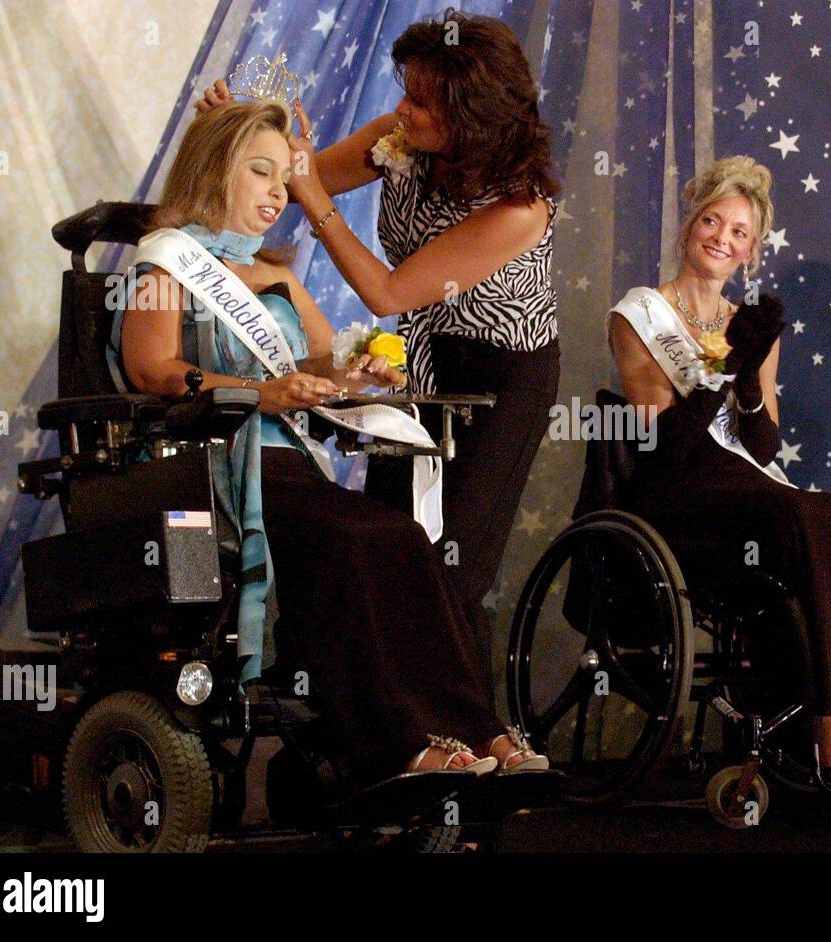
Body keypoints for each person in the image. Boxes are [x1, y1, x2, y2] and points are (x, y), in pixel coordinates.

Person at [117, 100, 547, 791]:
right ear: (212, 170)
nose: (276, 193)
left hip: (290, 466)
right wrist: (266, 394)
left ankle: (471, 725)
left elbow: (323, 368)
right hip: (210, 469)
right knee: (351, 539)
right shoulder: (164, 263)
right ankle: (393, 746)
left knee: (400, 538)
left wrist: (360, 374)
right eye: (259, 173)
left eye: (283, 180)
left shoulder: (278, 277)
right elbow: (153, 371)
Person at [197, 9, 559, 695]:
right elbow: (295, 179)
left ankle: (472, 737)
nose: (402, 109)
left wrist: (310, 195)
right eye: (407, 89)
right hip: (420, 363)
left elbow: (388, 293)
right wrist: (230, 135)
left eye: (422, 101)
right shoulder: (398, 138)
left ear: (472, 115)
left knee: (451, 567)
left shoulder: (520, 207)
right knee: (392, 546)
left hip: (501, 379)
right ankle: (369, 731)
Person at [607, 157, 831, 786]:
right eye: (712, 221)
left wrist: (751, 376)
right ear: (688, 226)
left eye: (739, 232)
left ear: (751, 252)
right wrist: (723, 371)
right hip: (676, 490)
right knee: (800, 516)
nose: (722, 239)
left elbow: (760, 446)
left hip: (746, 482)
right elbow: (661, 444)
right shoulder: (639, 313)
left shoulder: (750, 323)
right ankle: (828, 722)